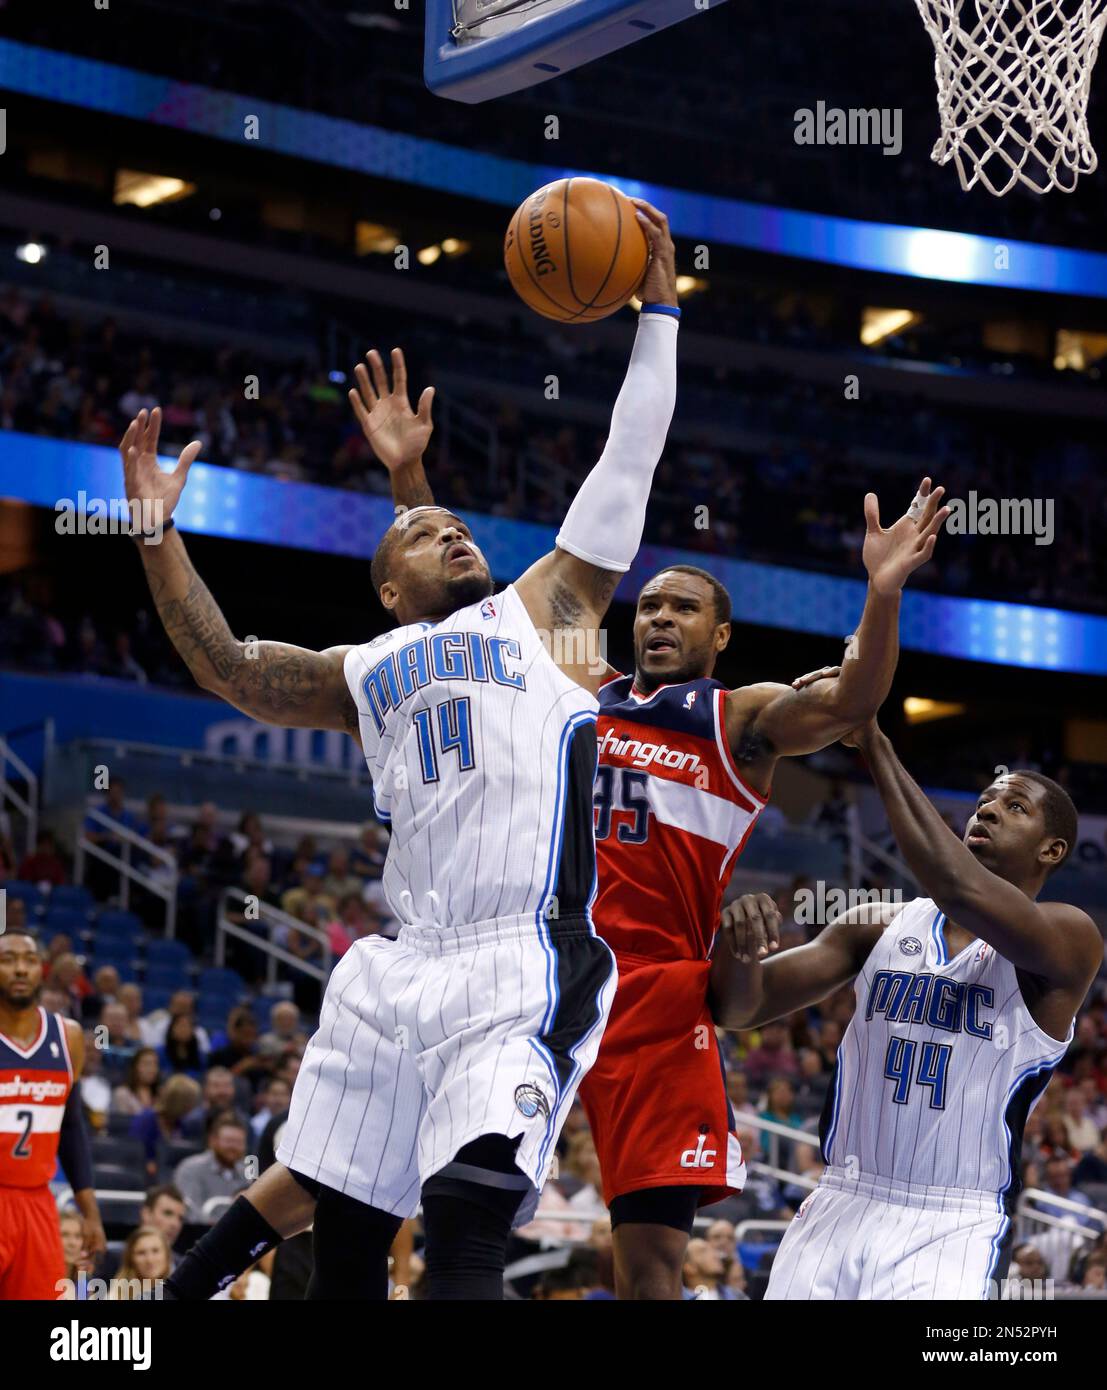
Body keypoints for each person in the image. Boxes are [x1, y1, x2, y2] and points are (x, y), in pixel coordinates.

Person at [148, 200, 679, 1302]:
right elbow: (229, 664)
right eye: (425, 533)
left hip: (518, 951)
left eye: (457, 524)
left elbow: (627, 467)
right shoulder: (367, 670)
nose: (455, 530)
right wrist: (156, 536)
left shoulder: (548, 616)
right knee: (344, 1234)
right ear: (387, 591)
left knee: (467, 1209)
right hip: (400, 964)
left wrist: (659, 308)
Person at [374, 321, 950, 1301]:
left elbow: (852, 700)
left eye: (683, 608)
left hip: (657, 998)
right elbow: (466, 618)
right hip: (532, 977)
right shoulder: (574, 688)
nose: (659, 617)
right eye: (648, 605)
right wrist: (410, 482)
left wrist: (882, 594)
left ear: (720, 632)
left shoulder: (742, 721)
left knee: (645, 1267)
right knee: (449, 1212)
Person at [711, 718, 1103, 1299]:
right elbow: (742, 1008)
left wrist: (874, 742)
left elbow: (957, 885)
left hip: (951, 1223)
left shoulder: (1070, 938)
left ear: (1052, 849)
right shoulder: (877, 926)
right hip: (841, 1200)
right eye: (984, 802)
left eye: (1013, 806)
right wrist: (736, 945)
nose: (987, 812)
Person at [0, 931, 106, 1298]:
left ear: (40, 971)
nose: (19, 969)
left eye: (29, 961)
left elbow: (72, 1127)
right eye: (8, 960)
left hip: (37, 1202)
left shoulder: (68, 1036)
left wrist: (89, 1210)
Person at [174, 1114, 250, 1224]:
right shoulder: (191, 1168)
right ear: (212, 1141)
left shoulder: (247, 1172)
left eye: (239, 1142)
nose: (233, 1147)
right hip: (200, 1234)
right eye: (229, 1141)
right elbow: (189, 1210)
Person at [108, 1226, 173, 1299]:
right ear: (130, 1258)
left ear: (167, 1255)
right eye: (141, 1253)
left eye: (155, 1251)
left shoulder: (181, 1290)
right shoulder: (115, 1295)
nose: (149, 1260)